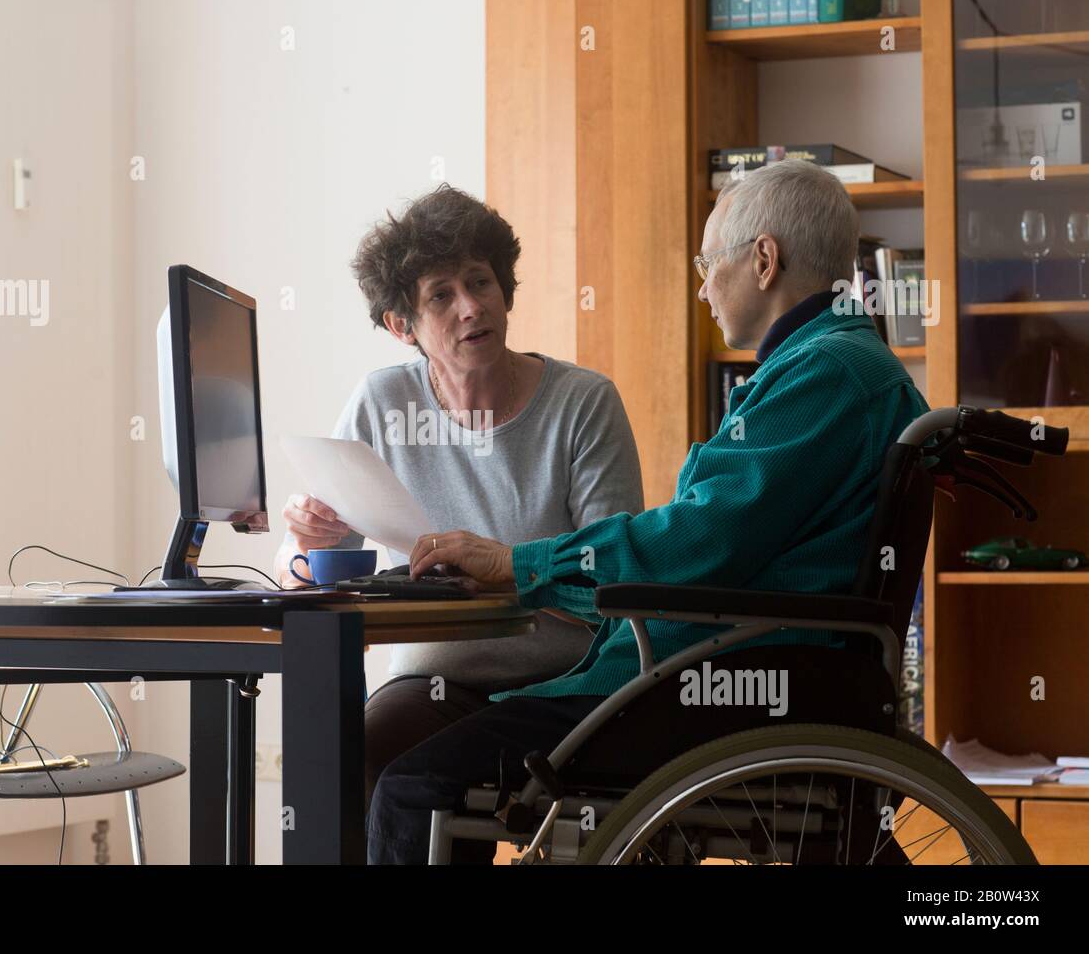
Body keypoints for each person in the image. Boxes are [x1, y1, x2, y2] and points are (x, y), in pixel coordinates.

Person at [367, 158, 932, 864]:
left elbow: (698, 542)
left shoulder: (826, 374)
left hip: (716, 682)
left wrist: (518, 563)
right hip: (749, 670)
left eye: (708, 264)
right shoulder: (842, 365)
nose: (703, 287)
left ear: (764, 260)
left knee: (414, 781)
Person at [272, 184, 644, 809]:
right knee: (350, 757)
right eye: (441, 295)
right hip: (433, 680)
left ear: (506, 291)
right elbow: (297, 572)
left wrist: (509, 570)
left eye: (481, 282)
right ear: (402, 326)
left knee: (423, 781)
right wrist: (304, 546)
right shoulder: (381, 403)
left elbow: (617, 580)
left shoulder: (583, 403)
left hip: (566, 681)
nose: (471, 307)